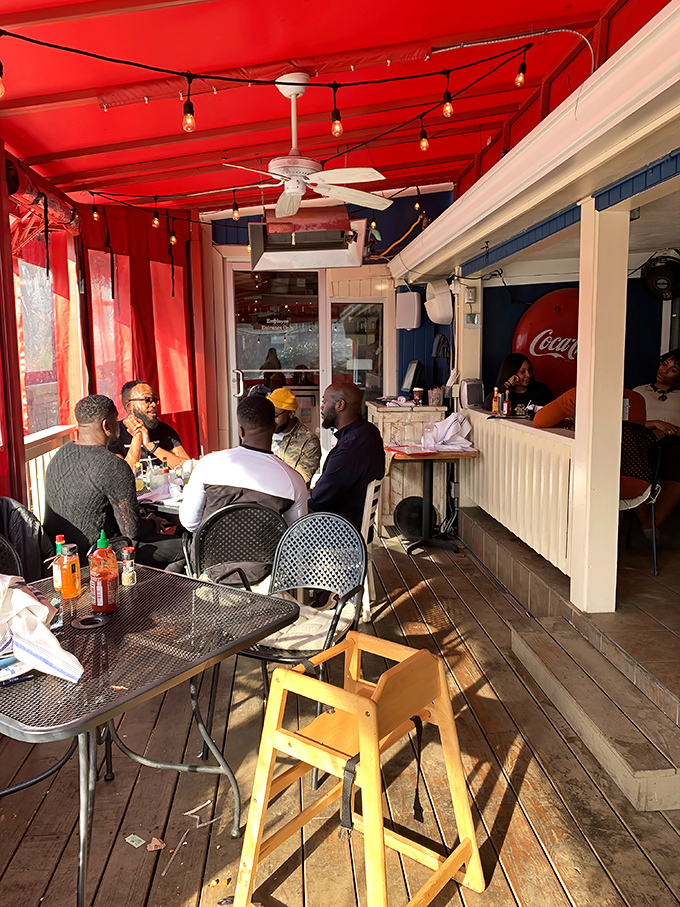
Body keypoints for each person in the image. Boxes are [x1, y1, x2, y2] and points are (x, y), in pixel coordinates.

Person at [44, 395, 185, 570]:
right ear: (107, 426)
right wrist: (153, 522)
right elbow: (132, 531)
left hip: (60, 555)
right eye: (116, 420)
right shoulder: (113, 465)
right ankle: (157, 595)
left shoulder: (59, 455)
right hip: (99, 555)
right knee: (184, 547)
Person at [179, 394, 307, 534]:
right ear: (274, 427)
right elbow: (296, 535)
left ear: (240, 430)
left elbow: (189, 523)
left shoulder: (208, 464)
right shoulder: (293, 480)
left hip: (208, 555)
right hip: (267, 556)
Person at [308, 382, 385, 529]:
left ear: (340, 405)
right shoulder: (367, 431)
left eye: (324, 401)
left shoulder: (351, 447)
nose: (322, 407)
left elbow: (317, 501)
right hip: (347, 519)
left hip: (339, 530)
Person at [634, 349, 680, 539]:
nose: (665, 371)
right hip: (642, 439)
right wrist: (655, 424)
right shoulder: (638, 391)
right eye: (664, 364)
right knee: (635, 457)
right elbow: (627, 422)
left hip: (674, 442)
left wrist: (669, 430)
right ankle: (647, 524)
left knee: (678, 461)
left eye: (673, 370)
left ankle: (652, 524)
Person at [111, 379, 190, 469]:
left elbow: (187, 467)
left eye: (154, 400)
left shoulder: (164, 430)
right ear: (129, 406)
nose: (153, 405)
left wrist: (150, 446)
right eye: (147, 400)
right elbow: (122, 475)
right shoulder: (114, 434)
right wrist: (137, 436)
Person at [268, 387, 322, 486]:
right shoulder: (263, 432)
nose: (271, 420)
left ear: (291, 414)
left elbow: (300, 481)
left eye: (275, 416)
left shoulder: (308, 441)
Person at [533, 387, 646, 429]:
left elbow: (540, 421)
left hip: (590, 472)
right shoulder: (638, 399)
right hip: (638, 475)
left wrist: (566, 423)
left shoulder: (579, 394)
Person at [483, 353, 553, 414]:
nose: (528, 375)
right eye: (523, 371)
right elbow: (487, 405)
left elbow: (553, 411)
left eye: (529, 370)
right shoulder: (504, 393)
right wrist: (507, 384)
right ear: (512, 373)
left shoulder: (540, 390)